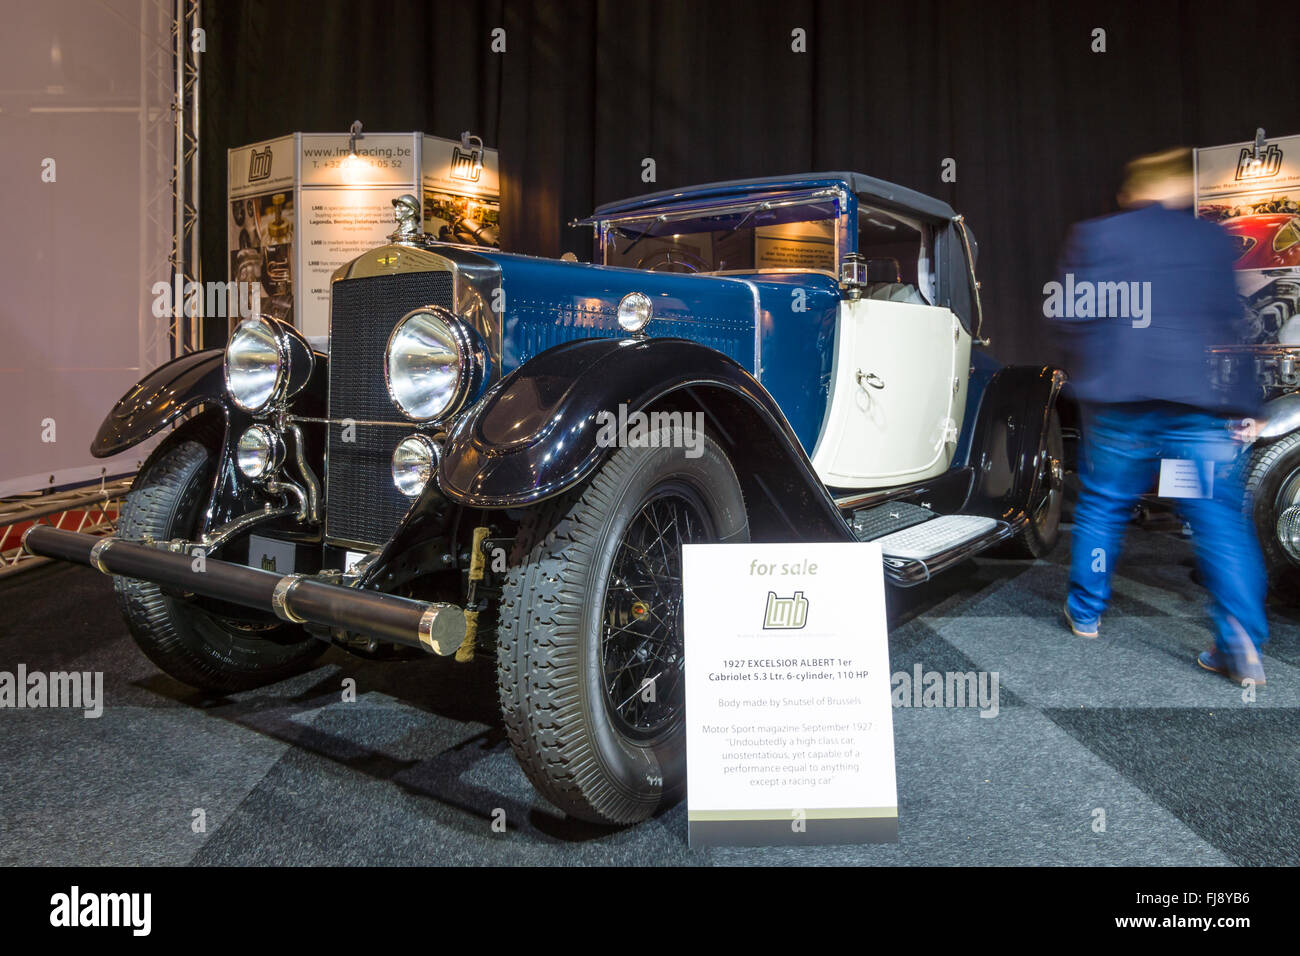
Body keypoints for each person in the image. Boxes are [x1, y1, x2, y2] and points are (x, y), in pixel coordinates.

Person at [1051, 147, 1269, 685]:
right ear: (1180, 189)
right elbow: (1234, 328)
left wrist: (1091, 371)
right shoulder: (1210, 240)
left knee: (1103, 505)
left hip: (1119, 402)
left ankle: (1086, 612)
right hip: (1194, 407)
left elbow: (1069, 314)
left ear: (1134, 191)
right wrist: (1247, 408)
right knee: (1217, 520)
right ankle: (1240, 640)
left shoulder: (1099, 235)